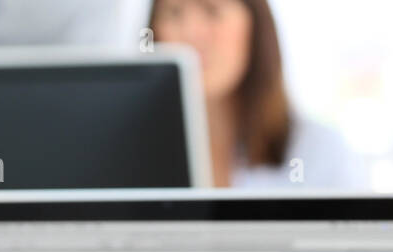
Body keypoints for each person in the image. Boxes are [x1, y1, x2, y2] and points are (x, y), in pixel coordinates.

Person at [148, 0, 366, 188]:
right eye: (174, 12)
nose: (191, 33)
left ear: (255, 27)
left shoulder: (320, 150)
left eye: (212, 10)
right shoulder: (134, 153)